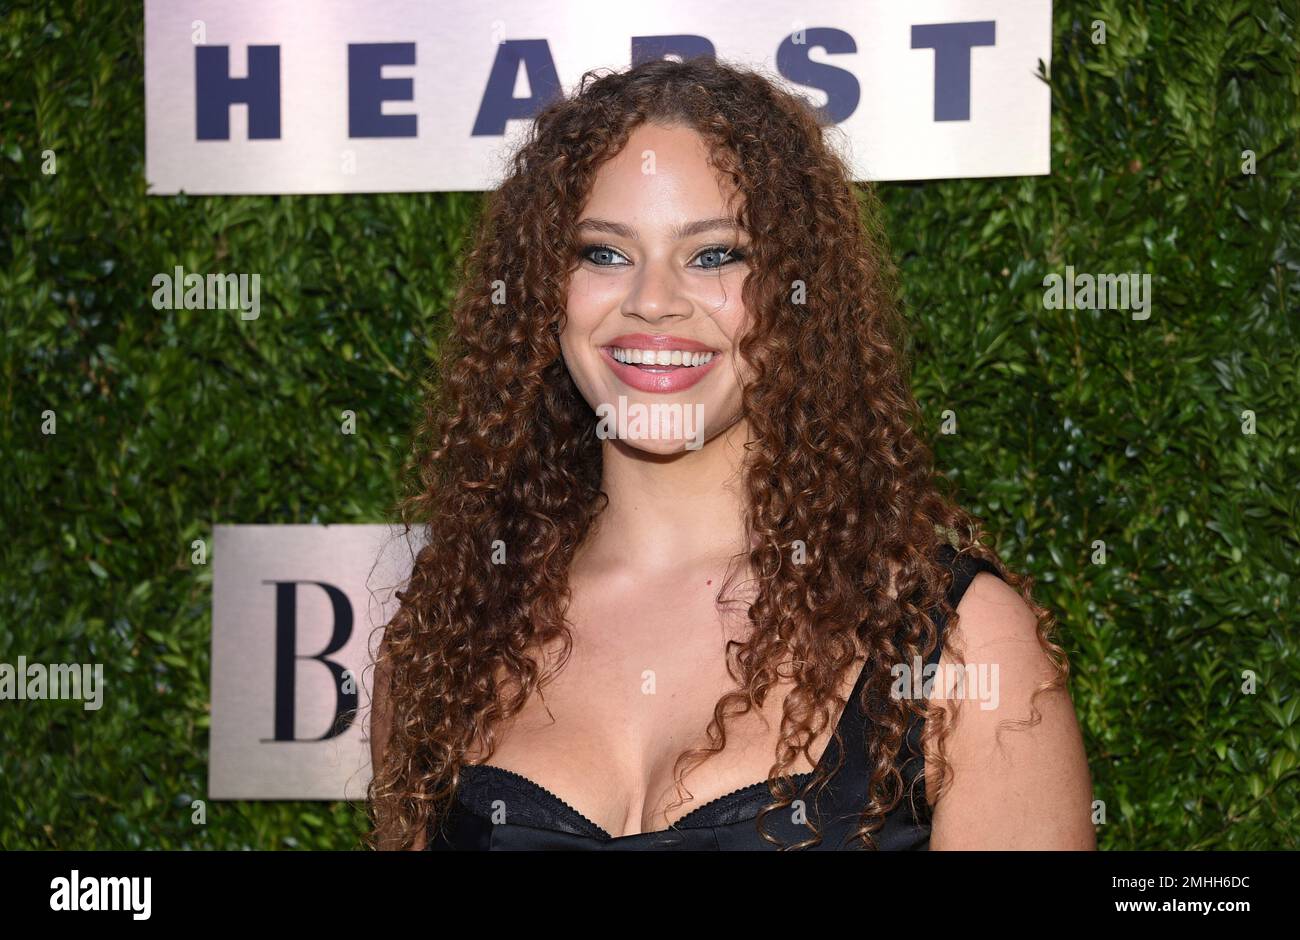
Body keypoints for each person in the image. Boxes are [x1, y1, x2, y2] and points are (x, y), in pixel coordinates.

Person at [367, 56, 1095, 851]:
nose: (651, 301)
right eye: (603, 253)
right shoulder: (447, 641)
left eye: (715, 255)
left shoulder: (954, 643)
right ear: (545, 289)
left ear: (794, 289)